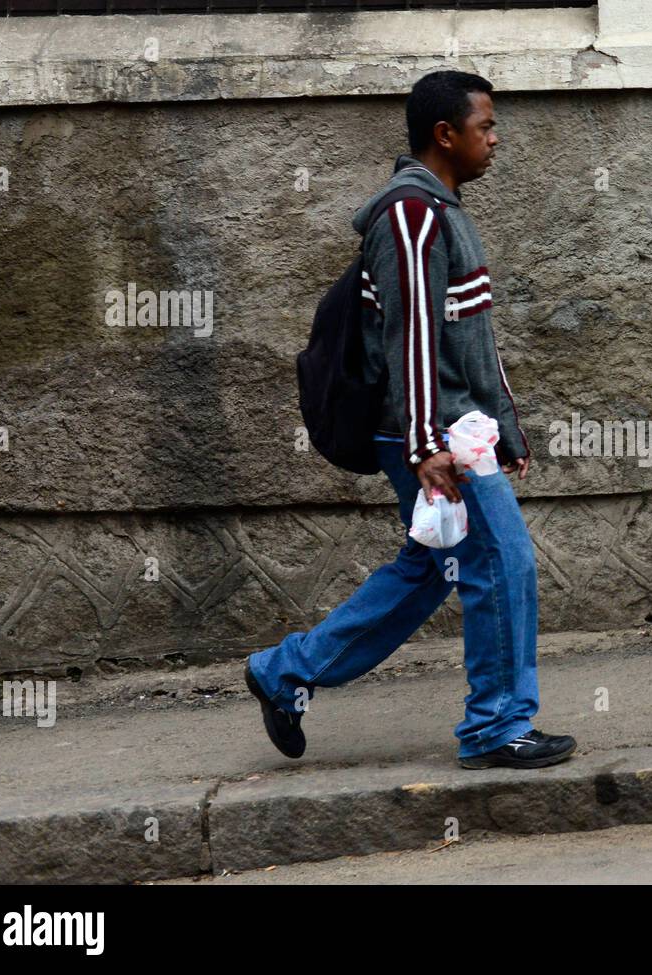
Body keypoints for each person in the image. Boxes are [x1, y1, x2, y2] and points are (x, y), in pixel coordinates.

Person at [244, 70, 577, 768]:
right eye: (485, 126)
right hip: (429, 434)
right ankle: (496, 725)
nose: (497, 137)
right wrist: (427, 443)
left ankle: (286, 671)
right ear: (444, 135)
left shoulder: (441, 210)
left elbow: (469, 341)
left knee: (429, 570)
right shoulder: (411, 215)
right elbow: (411, 339)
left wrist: (507, 431)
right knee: (500, 560)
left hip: (451, 429)